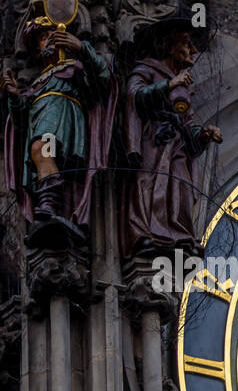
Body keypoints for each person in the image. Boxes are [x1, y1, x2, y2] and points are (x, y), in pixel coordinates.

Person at [2, 16, 114, 233]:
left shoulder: (75, 68)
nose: (51, 39)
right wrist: (15, 97)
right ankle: (49, 206)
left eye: (54, 34)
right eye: (44, 37)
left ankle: (50, 204)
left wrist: (82, 48)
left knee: (41, 148)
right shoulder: (37, 83)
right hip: (41, 123)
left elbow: (102, 79)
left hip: (64, 118)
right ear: (37, 50)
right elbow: (21, 124)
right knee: (41, 152)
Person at [121, 19, 222, 256]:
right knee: (149, 181)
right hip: (153, 136)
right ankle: (144, 233)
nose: (194, 51)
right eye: (187, 43)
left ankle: (178, 234)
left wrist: (205, 134)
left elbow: (189, 125)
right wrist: (167, 85)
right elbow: (134, 96)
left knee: (181, 185)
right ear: (168, 46)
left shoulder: (185, 87)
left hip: (177, 144)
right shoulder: (146, 69)